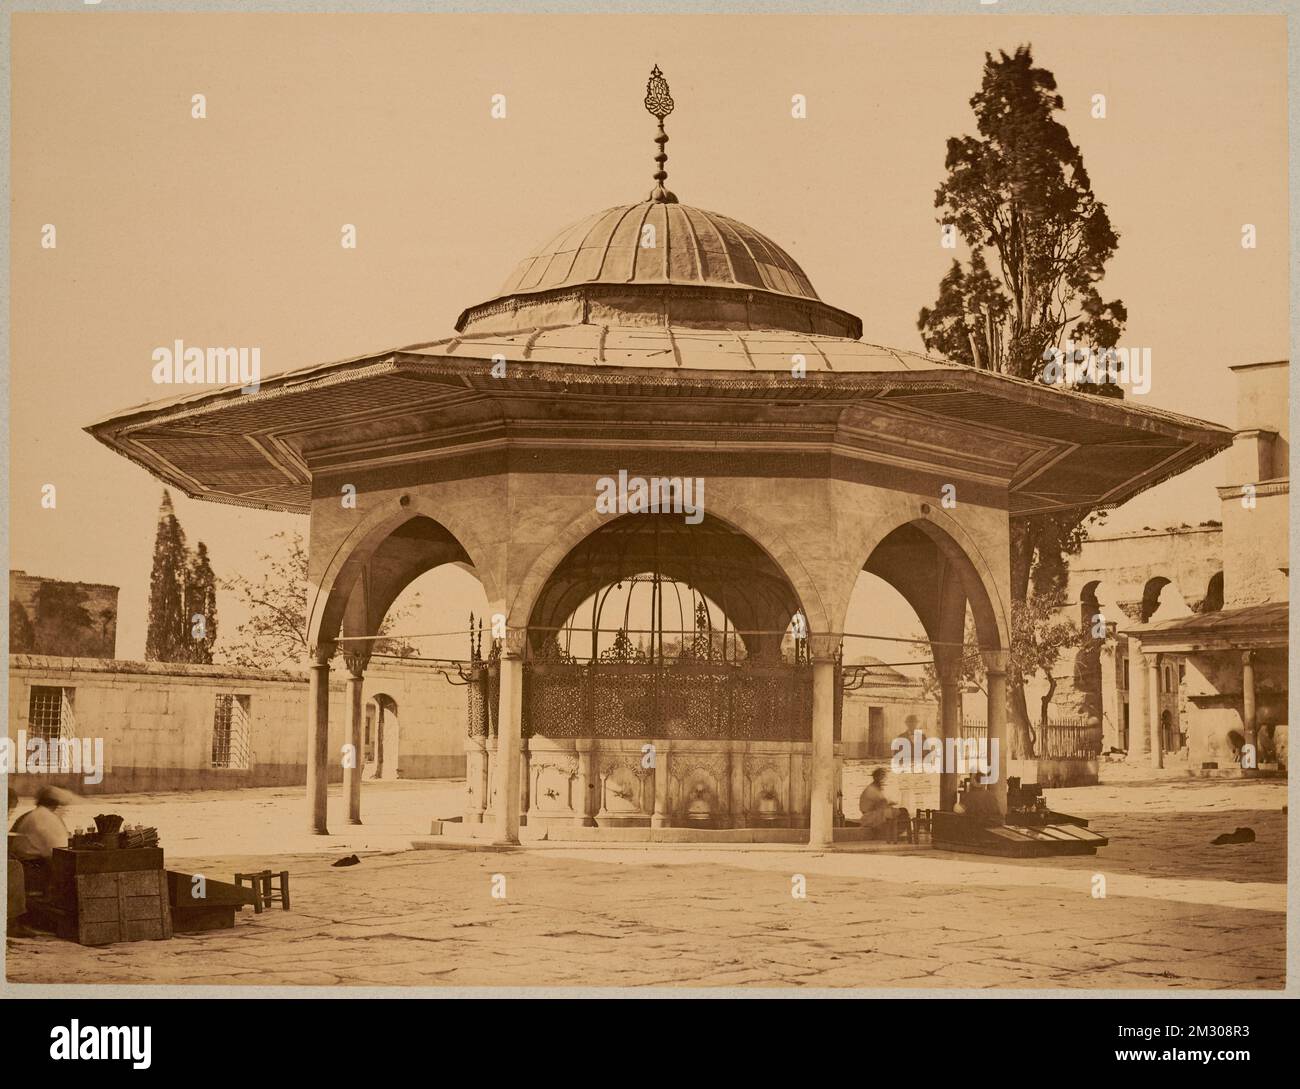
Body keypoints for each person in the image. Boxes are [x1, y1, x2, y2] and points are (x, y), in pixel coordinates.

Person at [858, 767, 893, 836]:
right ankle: (892, 835)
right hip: (869, 818)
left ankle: (892, 833)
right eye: (882, 777)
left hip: (874, 815)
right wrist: (889, 804)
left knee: (900, 812)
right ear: (876, 777)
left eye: (884, 777)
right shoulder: (871, 790)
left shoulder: (875, 788)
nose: (883, 780)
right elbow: (882, 804)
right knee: (901, 813)